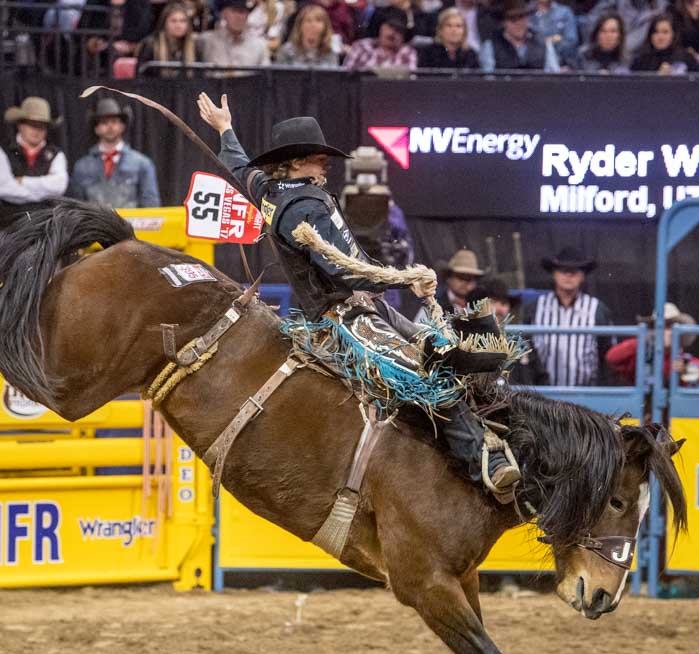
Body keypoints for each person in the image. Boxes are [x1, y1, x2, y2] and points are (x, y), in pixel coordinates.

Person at [197, 92, 522, 499]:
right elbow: (341, 268)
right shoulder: (303, 208)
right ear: (297, 162)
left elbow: (240, 168)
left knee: (439, 347)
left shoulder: (271, 192)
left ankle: (489, 426)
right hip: (344, 319)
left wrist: (225, 128)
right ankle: (483, 462)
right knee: (422, 372)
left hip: (356, 308)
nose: (325, 162)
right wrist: (405, 278)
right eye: (317, 156)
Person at [529, 246, 613, 386]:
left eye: (574, 270)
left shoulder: (597, 309)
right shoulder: (536, 308)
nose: (568, 275)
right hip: (543, 398)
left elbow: (608, 355)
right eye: (562, 270)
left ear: (583, 275)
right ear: (553, 273)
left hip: (586, 397)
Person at [0, 96, 68, 240]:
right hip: (10, 229)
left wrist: (23, 181)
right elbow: (3, 189)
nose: (37, 131)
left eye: (42, 126)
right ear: (20, 125)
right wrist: (44, 189)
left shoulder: (56, 154)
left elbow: (58, 187)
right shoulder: (1, 152)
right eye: (32, 124)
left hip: (46, 230)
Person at [68, 97, 160, 209]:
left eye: (114, 121)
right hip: (95, 225)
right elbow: (76, 206)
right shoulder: (82, 167)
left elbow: (151, 204)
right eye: (104, 122)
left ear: (122, 126)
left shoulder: (142, 164)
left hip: (130, 225)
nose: (110, 126)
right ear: (96, 129)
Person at [606, 302, 699, 386]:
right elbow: (612, 357)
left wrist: (684, 372)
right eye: (658, 327)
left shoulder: (688, 362)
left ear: (679, 331)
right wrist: (645, 339)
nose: (664, 331)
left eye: (669, 326)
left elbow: (698, 382)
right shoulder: (640, 358)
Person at [81, 0, 153, 75]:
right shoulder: (94, 2)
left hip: (132, 51)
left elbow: (146, 32)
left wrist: (131, 46)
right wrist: (94, 42)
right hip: (98, 54)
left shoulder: (141, 4)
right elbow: (83, 31)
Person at [413, 249, 484, 322]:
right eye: (460, 276)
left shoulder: (481, 306)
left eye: (469, 279)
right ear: (448, 277)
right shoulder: (433, 306)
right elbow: (419, 331)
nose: (464, 282)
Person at [199, 0, 271, 67]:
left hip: (249, 80)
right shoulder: (206, 41)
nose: (238, 16)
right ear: (223, 14)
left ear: (247, 16)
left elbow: (267, 77)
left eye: (242, 12)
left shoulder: (259, 45)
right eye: (234, 11)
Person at [584, 0, 667, 58]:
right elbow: (591, 21)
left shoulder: (659, 7)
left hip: (636, 55)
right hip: (605, 50)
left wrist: (620, 44)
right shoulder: (613, 2)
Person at [479, 0, 546, 70]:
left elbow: (552, 75)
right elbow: (488, 78)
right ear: (504, 22)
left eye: (521, 18)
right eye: (513, 20)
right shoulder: (490, 46)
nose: (518, 24)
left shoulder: (542, 43)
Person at [136, 2, 204, 71]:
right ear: (164, 23)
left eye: (183, 21)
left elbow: (200, 76)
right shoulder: (150, 45)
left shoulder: (195, 46)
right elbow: (141, 76)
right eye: (173, 21)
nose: (178, 26)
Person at [344, 8, 417, 69]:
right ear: (379, 27)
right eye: (390, 27)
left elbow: (409, 83)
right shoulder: (361, 47)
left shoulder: (407, 53)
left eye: (399, 30)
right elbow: (345, 78)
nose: (393, 33)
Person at [273, 3, 340, 66]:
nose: (313, 25)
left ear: (325, 26)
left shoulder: (330, 52)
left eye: (318, 20)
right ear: (300, 25)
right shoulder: (286, 51)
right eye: (308, 20)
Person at [630, 13, 699, 71]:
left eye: (665, 32)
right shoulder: (640, 61)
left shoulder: (686, 58)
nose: (660, 37)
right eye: (656, 32)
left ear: (674, 34)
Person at [530, 0, 578, 68]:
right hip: (534, 65)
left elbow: (571, 41)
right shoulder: (527, 14)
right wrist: (553, 40)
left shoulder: (565, 12)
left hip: (562, 64)